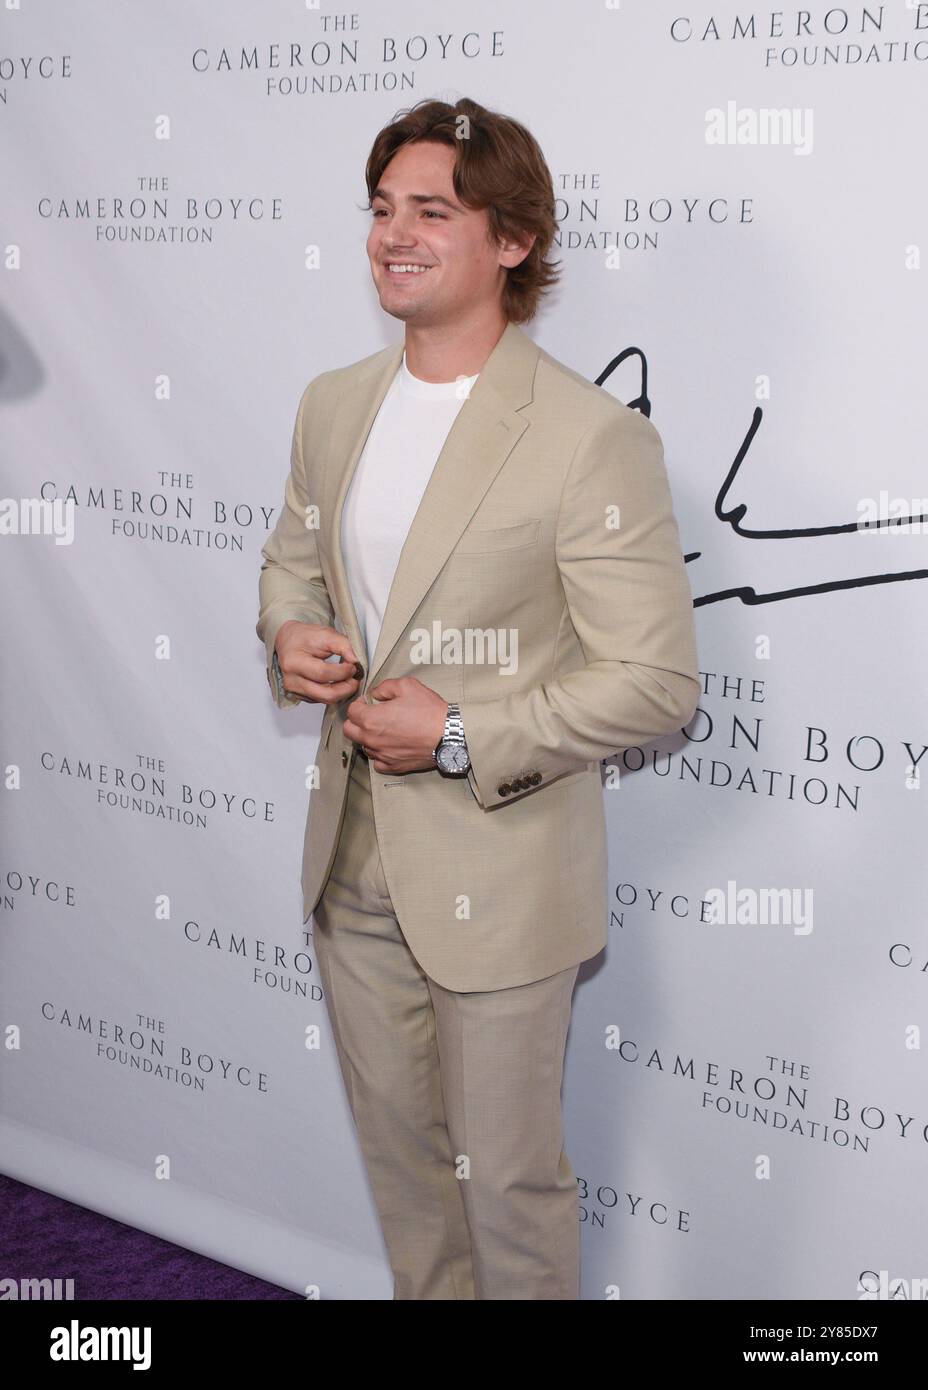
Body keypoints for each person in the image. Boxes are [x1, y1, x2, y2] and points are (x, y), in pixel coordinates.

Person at [256, 96, 700, 1300]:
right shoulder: (332, 402)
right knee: (407, 1177)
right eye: (383, 209)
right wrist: (291, 629)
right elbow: (295, 557)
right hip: (350, 857)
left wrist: (458, 734)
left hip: (502, 876)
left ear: (512, 240)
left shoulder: (586, 436)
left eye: (431, 212)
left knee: (505, 1185)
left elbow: (656, 681)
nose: (392, 235)